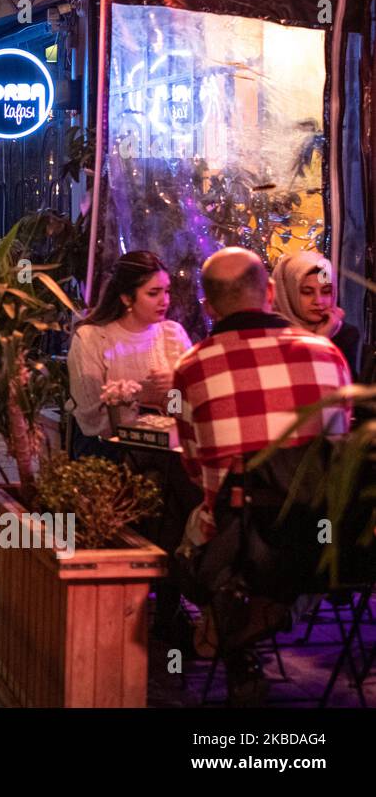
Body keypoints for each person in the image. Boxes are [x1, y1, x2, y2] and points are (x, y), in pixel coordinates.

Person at [172, 247, 351, 704]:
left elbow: (196, 468)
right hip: (327, 544)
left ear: (208, 306)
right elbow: (340, 452)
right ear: (271, 293)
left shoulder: (192, 367)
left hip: (245, 544)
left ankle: (239, 634)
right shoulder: (327, 354)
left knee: (187, 541)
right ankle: (270, 614)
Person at [67, 251, 192, 458]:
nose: (165, 301)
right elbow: (93, 418)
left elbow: (178, 411)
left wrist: (176, 387)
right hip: (107, 450)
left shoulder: (172, 334)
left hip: (163, 449)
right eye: (154, 293)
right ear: (126, 298)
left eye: (167, 291)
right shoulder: (92, 338)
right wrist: (142, 396)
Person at [271, 250, 361, 377]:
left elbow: (345, 387)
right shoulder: (271, 333)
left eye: (326, 291)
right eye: (307, 292)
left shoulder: (344, 334)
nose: (318, 301)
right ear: (287, 293)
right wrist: (321, 339)